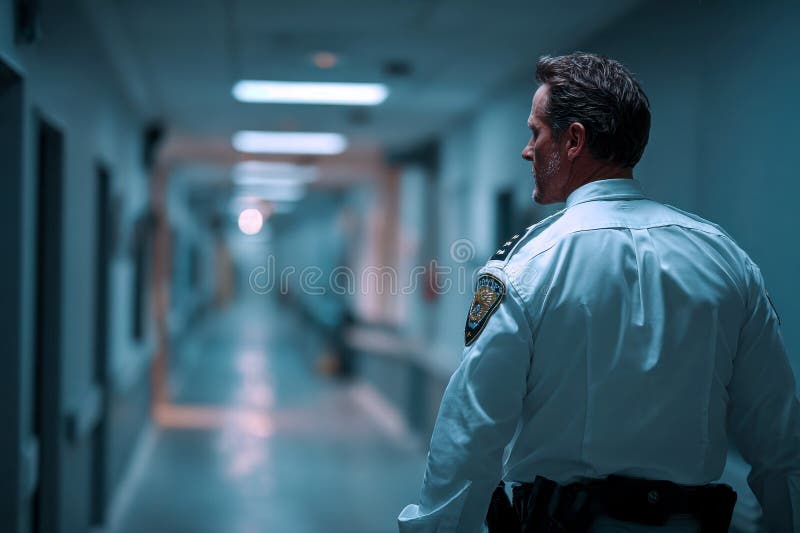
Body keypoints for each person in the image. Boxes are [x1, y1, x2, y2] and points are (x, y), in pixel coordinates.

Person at [398, 52, 800, 532]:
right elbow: (782, 447)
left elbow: (470, 438)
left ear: (573, 141)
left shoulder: (528, 266)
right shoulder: (726, 260)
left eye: (535, 133)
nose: (527, 151)